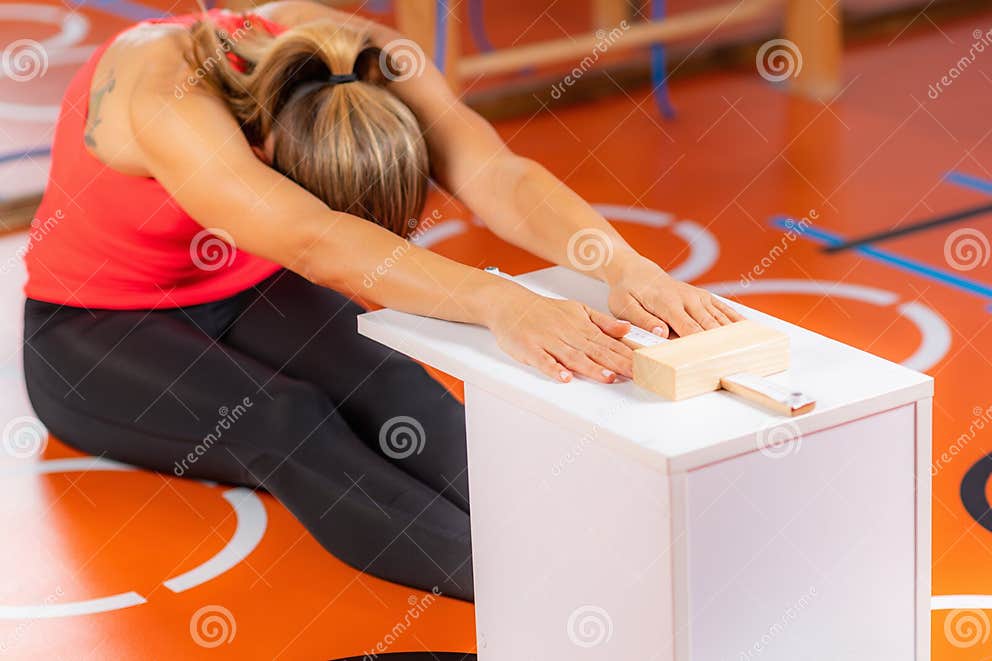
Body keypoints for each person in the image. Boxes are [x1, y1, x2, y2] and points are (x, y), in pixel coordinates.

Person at [21, 1, 742, 602]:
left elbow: (495, 172)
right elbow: (314, 243)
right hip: (92, 329)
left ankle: (640, 560)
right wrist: (504, 303)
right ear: (267, 156)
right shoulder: (166, 102)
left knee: (393, 385)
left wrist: (622, 263)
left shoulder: (368, 61)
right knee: (287, 420)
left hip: (247, 288)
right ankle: (564, 596)